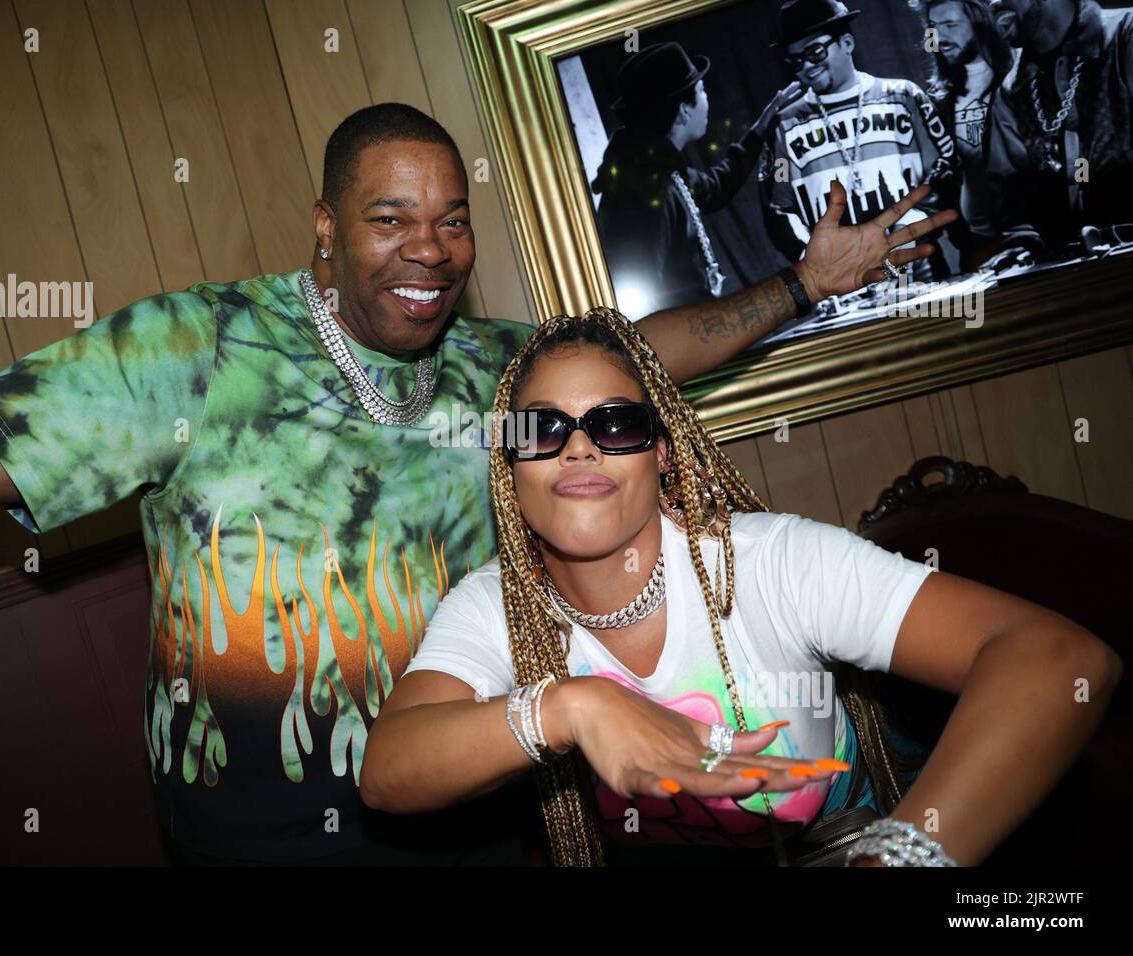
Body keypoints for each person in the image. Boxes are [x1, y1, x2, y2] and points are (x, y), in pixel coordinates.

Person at [0, 103, 954, 866]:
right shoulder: (199, 349)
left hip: (469, 801)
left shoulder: (490, 374)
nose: (429, 247)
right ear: (326, 230)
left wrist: (799, 286)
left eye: (450, 219)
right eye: (388, 219)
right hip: (252, 831)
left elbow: (639, 352)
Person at [360, 306, 1123, 866]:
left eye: (617, 424)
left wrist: (895, 860)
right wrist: (571, 705)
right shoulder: (497, 606)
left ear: (661, 453)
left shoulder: (771, 565)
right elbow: (389, 772)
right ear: (509, 465)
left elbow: (1061, 660)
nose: (582, 448)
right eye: (543, 430)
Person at [590, 42, 805, 313]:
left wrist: (761, 127)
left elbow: (715, 188)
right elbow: (640, 306)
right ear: (684, 110)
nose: (707, 99)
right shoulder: (644, 190)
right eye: (702, 92)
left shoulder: (660, 168)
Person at [759, 0, 957, 280]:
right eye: (795, 59)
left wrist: (910, 232)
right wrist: (812, 258)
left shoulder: (904, 97)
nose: (806, 66)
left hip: (916, 265)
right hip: (841, 281)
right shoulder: (784, 125)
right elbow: (778, 208)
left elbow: (944, 173)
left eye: (815, 52)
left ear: (847, 43)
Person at [977, 0, 1133, 253]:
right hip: (1070, 276)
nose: (991, 5)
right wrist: (1022, 245)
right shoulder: (1010, 90)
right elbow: (1012, 204)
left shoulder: (1125, 36)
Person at [910, 0, 1020, 270]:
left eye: (951, 25)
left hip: (1037, 237)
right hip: (978, 252)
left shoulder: (1018, 81)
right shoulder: (938, 104)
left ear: (980, 24)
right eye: (934, 27)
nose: (941, 36)